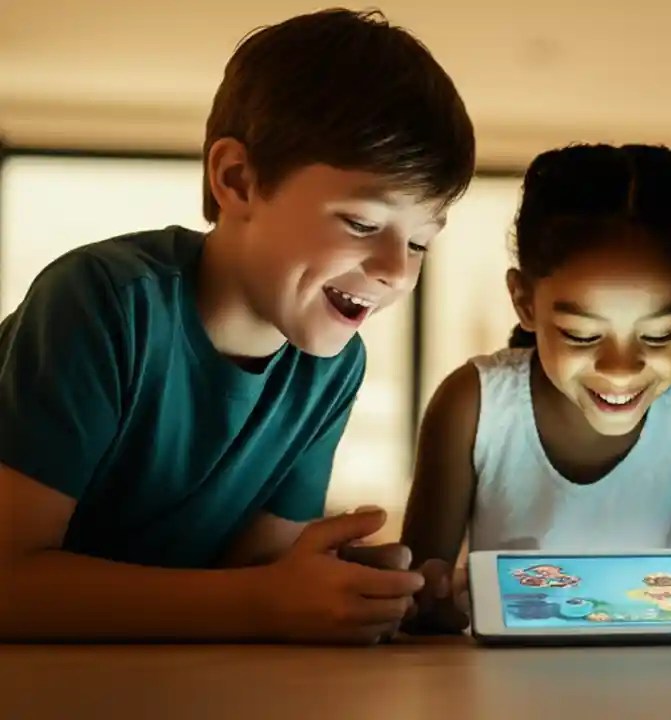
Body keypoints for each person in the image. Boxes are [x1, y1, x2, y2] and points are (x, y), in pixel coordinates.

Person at [0, 9, 475, 643]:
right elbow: (10, 582)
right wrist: (261, 601)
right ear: (237, 179)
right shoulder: (104, 304)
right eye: (362, 223)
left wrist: (345, 589)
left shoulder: (332, 365)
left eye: (420, 242)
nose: (396, 271)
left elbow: (250, 573)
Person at [401, 144, 671, 631]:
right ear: (524, 302)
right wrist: (438, 596)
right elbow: (417, 604)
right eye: (582, 335)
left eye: (658, 335)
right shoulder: (474, 405)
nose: (621, 369)